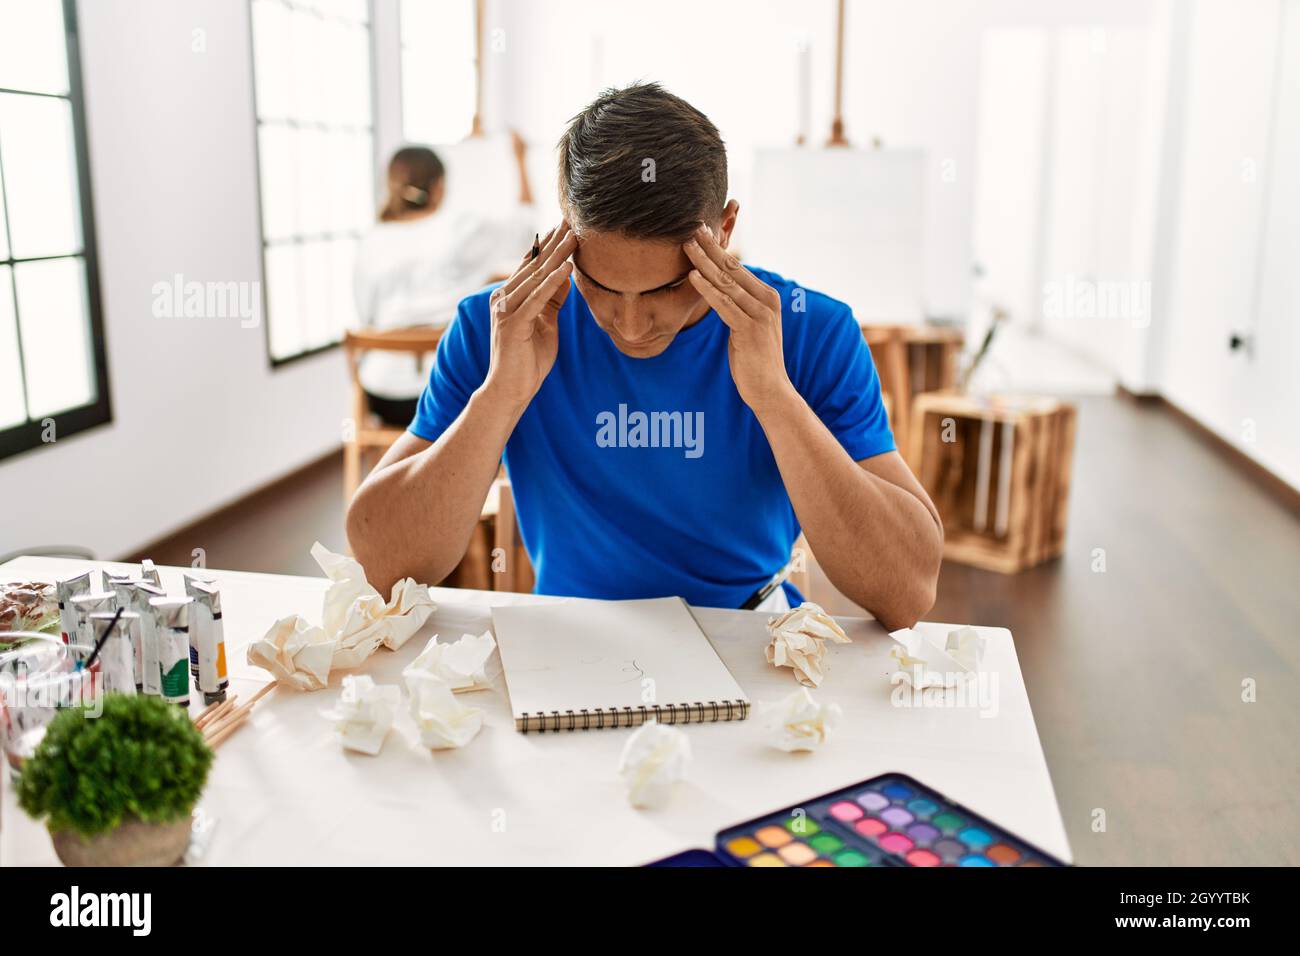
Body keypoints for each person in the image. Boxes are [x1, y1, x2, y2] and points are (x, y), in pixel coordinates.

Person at [346, 83, 943, 630]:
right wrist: (500, 395)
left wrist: (774, 396)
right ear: (565, 236)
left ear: (725, 228)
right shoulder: (500, 326)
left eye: (665, 289)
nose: (629, 327)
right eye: (600, 285)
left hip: (747, 630)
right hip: (568, 634)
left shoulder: (811, 330)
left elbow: (908, 591)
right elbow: (381, 560)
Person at [351, 134, 535, 425]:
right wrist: (520, 159)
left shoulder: (371, 240)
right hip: (446, 392)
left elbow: (365, 313)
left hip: (383, 396)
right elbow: (526, 229)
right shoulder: (460, 229)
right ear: (439, 186)